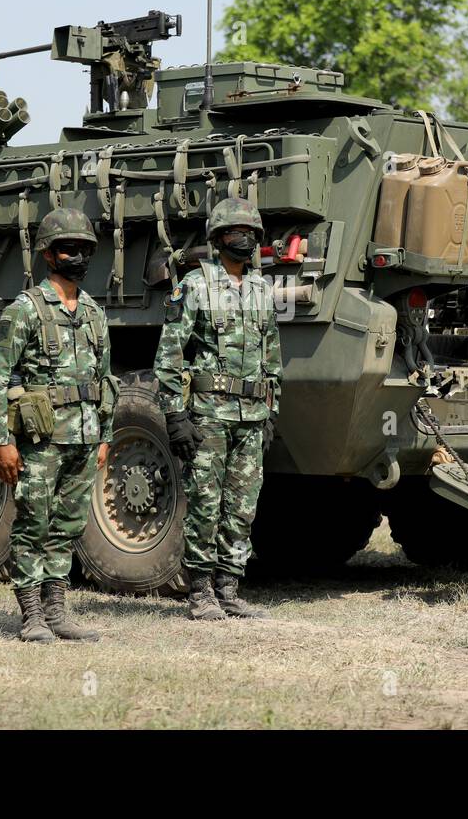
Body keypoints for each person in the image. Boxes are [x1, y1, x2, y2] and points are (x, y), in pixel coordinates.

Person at [0, 207, 116, 644]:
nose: (76, 256)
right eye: (67, 249)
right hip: (41, 441)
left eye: (83, 249)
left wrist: (106, 435)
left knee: (67, 525)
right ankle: (32, 615)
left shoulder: (95, 313)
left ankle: (58, 611)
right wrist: (2, 442)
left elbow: (105, 381)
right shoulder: (25, 310)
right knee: (33, 524)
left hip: (84, 436)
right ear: (48, 254)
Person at [153, 197, 281, 621]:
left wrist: (271, 411)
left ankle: (229, 587)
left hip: (251, 417)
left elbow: (273, 358)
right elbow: (170, 354)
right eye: (233, 233)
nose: (242, 239)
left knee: (242, 506)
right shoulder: (194, 285)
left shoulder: (263, 290)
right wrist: (175, 415)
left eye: (248, 233)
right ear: (218, 239)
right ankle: (200, 592)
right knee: (205, 504)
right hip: (209, 415)